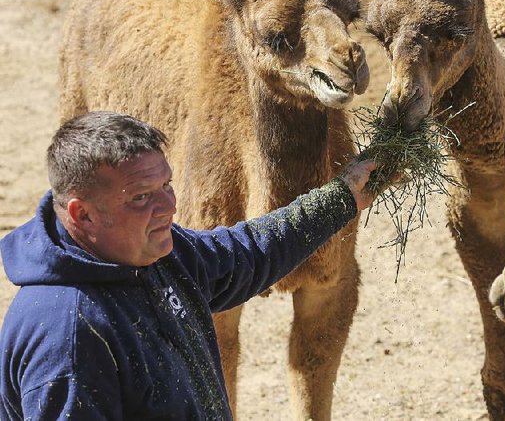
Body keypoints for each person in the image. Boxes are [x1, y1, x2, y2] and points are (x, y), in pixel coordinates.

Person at [0, 111, 382, 420]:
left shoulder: (151, 253)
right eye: (141, 197)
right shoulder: (68, 339)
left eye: (166, 185)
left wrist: (343, 196)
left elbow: (246, 255)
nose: (168, 206)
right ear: (81, 214)